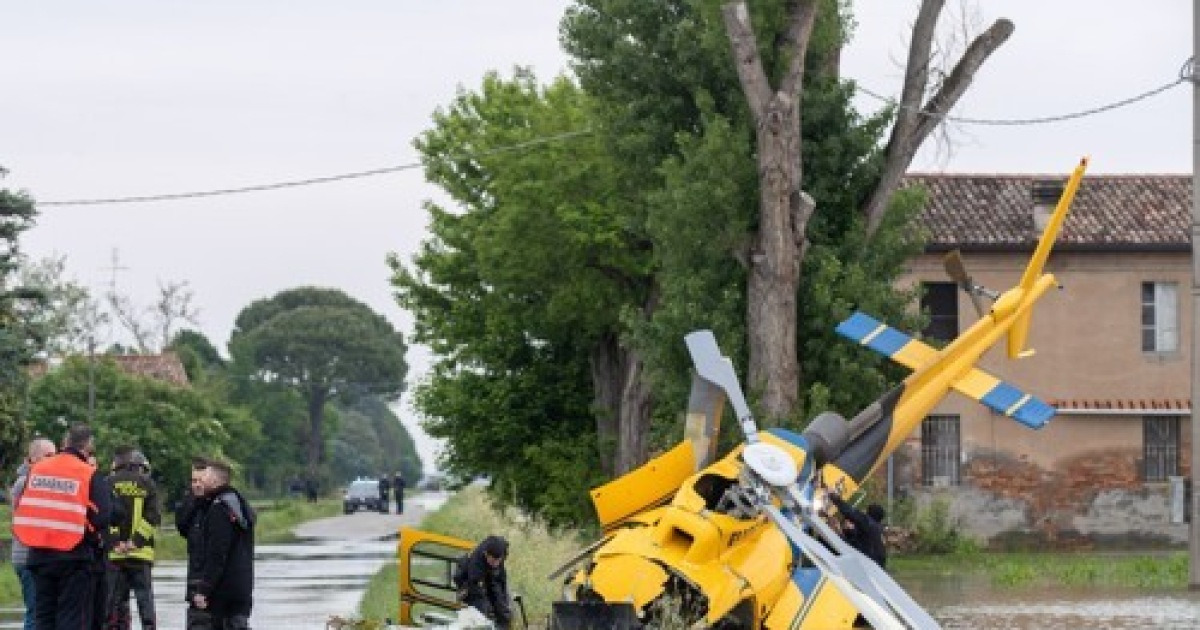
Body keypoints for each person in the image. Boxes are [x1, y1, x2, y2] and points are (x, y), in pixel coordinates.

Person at [13, 423, 113, 630]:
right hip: (74, 558)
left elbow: (25, 506)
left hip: (39, 556)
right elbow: (104, 515)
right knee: (72, 619)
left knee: (42, 619)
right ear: (87, 447)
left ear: (64, 443)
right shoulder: (88, 473)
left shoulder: (38, 469)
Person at [178, 458, 256, 630]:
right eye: (194, 480)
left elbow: (217, 553)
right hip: (240, 587)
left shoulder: (219, 508)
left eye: (203, 478)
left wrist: (204, 589)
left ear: (214, 480)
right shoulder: (237, 504)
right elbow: (183, 525)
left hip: (222, 590)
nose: (198, 483)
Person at [104, 447, 160, 630]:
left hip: (115, 556)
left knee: (114, 605)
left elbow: (104, 516)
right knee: (146, 604)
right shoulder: (148, 484)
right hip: (140, 555)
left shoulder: (107, 483)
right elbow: (153, 516)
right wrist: (135, 542)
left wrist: (115, 543)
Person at [9, 437, 58, 630]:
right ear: (33, 459)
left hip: (33, 555)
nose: (53, 460)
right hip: (28, 556)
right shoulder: (27, 481)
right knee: (36, 612)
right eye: (48, 456)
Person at [452, 535, 512, 629]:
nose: (495, 563)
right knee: (482, 609)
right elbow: (477, 589)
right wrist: (488, 607)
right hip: (470, 582)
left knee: (504, 608)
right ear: (486, 554)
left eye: (498, 560)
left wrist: (504, 605)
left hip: (489, 574)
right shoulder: (476, 563)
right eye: (493, 561)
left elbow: (500, 582)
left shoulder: (501, 548)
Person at [827, 492, 887, 569]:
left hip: (868, 563)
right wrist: (846, 531)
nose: (863, 512)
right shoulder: (877, 529)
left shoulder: (868, 522)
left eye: (865, 511)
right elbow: (859, 540)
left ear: (869, 514)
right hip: (876, 564)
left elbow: (850, 512)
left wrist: (836, 499)